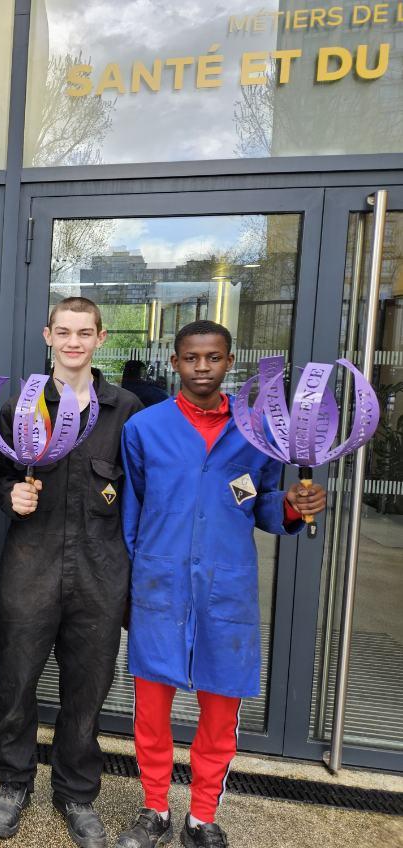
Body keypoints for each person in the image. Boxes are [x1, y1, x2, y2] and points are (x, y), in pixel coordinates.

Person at [116, 321, 325, 848]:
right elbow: (132, 514)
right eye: (191, 358)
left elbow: (267, 507)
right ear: (174, 362)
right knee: (152, 710)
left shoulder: (257, 433)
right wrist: (137, 578)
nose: (202, 367)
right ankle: (155, 808)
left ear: (230, 362)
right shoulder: (145, 429)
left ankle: (202, 815)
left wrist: (293, 509)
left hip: (226, 589)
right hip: (159, 587)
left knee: (219, 712)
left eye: (212, 358)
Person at [0, 297, 142, 848]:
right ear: (47, 335)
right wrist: (12, 495)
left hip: (100, 572)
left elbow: (142, 492)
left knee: (87, 687)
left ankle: (76, 792)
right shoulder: (20, 407)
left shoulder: (127, 411)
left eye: (85, 332)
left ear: (101, 339)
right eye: (64, 331)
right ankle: (12, 782)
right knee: (16, 681)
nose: (74, 342)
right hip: (30, 567)